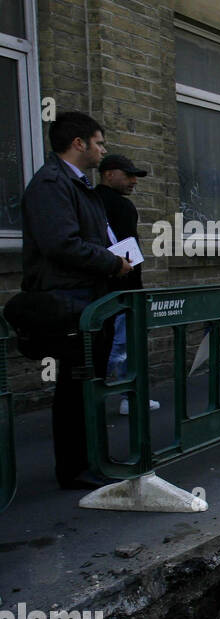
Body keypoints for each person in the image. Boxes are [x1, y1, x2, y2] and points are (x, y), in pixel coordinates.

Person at [20, 111, 133, 489]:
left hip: (89, 300)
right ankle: (74, 468)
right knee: (75, 386)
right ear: (79, 143)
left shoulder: (80, 186)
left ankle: (93, 459)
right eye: (99, 142)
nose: (103, 150)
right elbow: (61, 243)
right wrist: (110, 261)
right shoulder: (51, 183)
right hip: (69, 301)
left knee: (90, 384)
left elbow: (92, 236)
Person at [94, 153, 159, 415]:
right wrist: (134, 288)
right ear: (109, 173)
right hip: (122, 289)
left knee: (114, 344)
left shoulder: (92, 201)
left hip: (102, 289)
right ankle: (124, 397)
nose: (134, 181)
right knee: (122, 346)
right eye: (128, 175)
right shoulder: (119, 206)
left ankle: (102, 393)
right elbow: (128, 252)